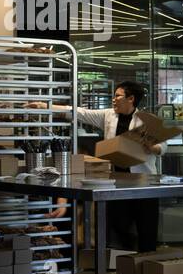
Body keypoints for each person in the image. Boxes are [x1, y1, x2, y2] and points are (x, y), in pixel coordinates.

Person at [47, 80, 165, 253]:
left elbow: (163, 147)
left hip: (144, 183)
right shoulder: (108, 116)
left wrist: (152, 145)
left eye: (118, 96)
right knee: (118, 227)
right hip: (118, 182)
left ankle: (147, 266)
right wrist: (47, 106)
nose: (114, 99)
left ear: (131, 99)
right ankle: (124, 265)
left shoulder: (147, 120)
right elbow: (81, 113)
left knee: (146, 228)